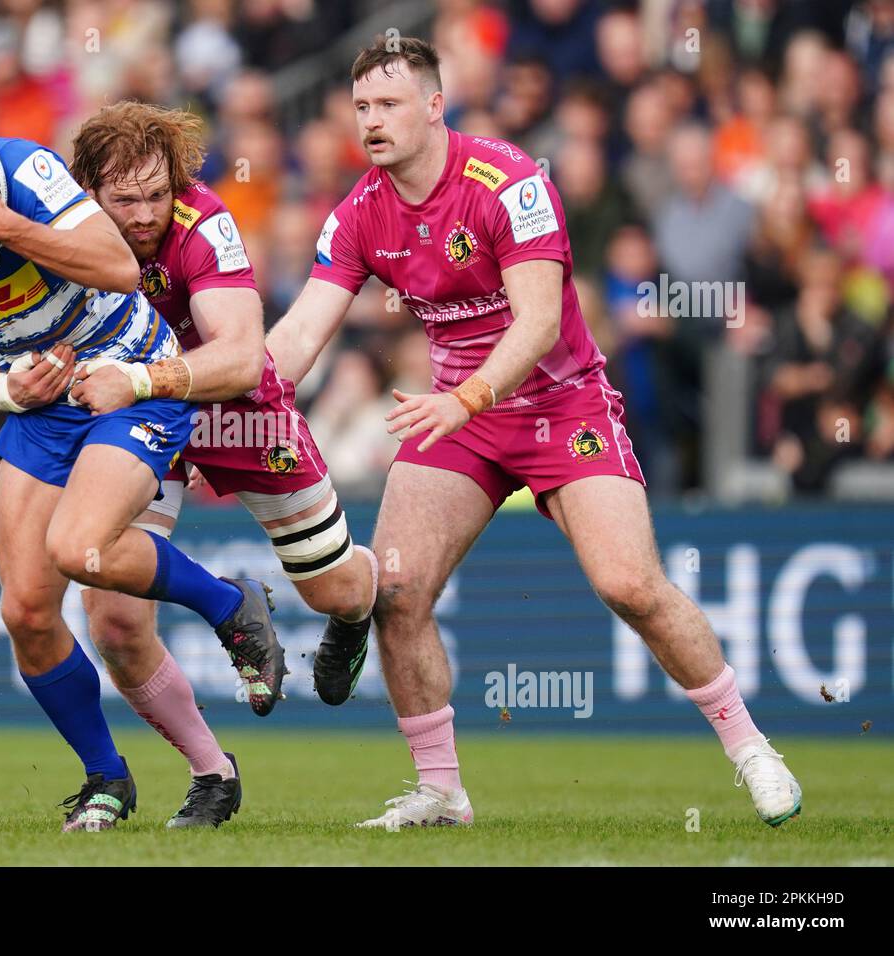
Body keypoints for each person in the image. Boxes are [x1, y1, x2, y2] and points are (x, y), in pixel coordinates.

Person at [265, 36, 802, 830]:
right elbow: (300, 336)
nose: (371, 122)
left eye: (388, 104)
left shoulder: (508, 180)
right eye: (362, 108)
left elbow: (542, 321)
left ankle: (753, 748)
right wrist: (226, 395)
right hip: (462, 418)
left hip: (561, 406)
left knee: (628, 583)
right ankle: (442, 792)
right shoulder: (359, 213)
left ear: (435, 106)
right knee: (399, 593)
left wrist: (468, 396)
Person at [0, 56, 283, 832]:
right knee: (24, 610)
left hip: (124, 382)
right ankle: (107, 778)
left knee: (80, 549)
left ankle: (228, 604)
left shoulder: (24, 168)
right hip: (48, 410)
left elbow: (119, 265)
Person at [0, 101, 379, 826]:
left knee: (329, 589)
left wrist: (144, 380)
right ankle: (213, 773)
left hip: (232, 410)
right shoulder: (54, 233)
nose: (146, 213)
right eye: (125, 200)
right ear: (85, 190)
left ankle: (365, 599)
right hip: (134, 417)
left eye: (158, 194)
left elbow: (241, 357)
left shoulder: (203, 224)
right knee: (111, 614)